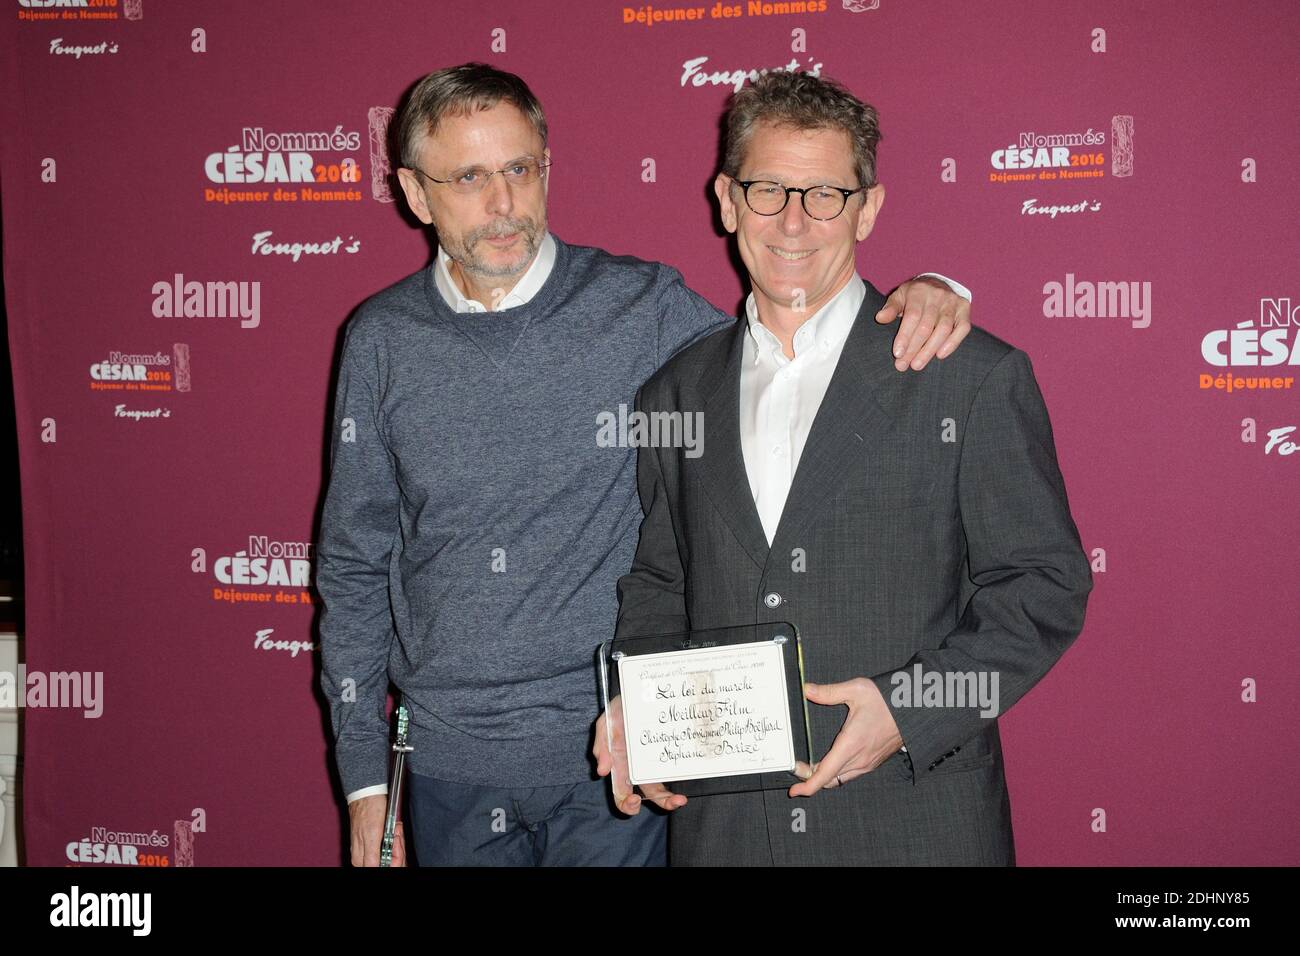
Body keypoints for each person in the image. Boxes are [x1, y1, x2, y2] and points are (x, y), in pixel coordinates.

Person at [316, 62, 975, 867]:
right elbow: (352, 569)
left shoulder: (643, 307)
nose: (501, 204)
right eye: (468, 177)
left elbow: (795, 357)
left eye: (520, 169)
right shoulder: (380, 341)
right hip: (451, 772)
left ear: (548, 170)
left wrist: (935, 287)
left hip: (623, 761)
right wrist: (364, 784)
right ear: (416, 194)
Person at [596, 70, 1092, 865]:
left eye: (825, 193)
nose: (794, 221)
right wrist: (641, 709)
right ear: (726, 200)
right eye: (767, 190)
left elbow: (1043, 584)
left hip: (916, 822)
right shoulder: (672, 394)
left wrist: (911, 708)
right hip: (725, 832)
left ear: (868, 207)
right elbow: (662, 582)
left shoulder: (967, 374)